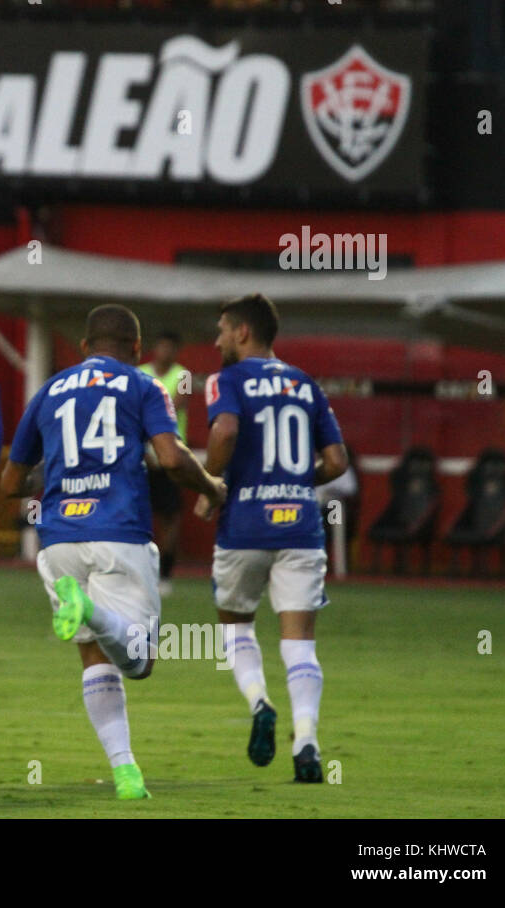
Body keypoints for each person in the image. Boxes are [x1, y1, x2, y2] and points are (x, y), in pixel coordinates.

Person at [2, 304, 225, 800]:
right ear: (136, 351)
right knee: (140, 660)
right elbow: (170, 457)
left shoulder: (48, 391)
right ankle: (93, 611)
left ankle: (126, 771)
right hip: (117, 532)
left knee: (94, 657)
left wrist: (59, 474)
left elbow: (10, 482)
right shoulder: (144, 386)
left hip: (59, 540)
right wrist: (211, 486)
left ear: (84, 347)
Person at [194, 294, 348, 783]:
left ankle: (260, 702)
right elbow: (338, 461)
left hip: (244, 524)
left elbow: (224, 432)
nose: (216, 339)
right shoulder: (306, 384)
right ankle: (307, 743)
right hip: (301, 527)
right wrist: (299, 482)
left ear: (242, 332)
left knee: (235, 628)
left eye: (221, 329)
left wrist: (209, 486)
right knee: (300, 642)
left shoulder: (227, 380)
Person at [139, 331, 191, 597]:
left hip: (171, 455)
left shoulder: (184, 376)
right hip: (144, 457)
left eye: (171, 347)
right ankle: (140, 572)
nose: (166, 352)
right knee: (139, 515)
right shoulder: (140, 373)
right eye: (162, 346)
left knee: (170, 517)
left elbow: (176, 405)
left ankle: (166, 573)